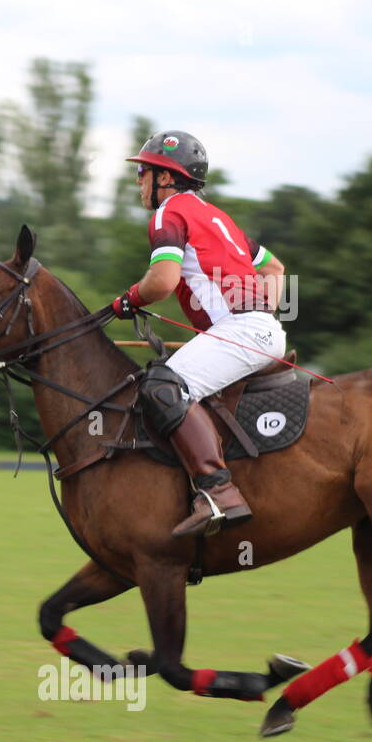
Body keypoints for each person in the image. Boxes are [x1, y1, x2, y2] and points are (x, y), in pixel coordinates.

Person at [105, 130, 287, 538]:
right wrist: (261, 313)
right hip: (258, 330)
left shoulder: (168, 214)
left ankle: (218, 493)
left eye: (144, 173)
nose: (139, 182)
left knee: (160, 386)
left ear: (165, 178)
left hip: (242, 332)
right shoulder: (218, 216)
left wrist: (127, 301)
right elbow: (275, 269)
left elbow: (162, 282)